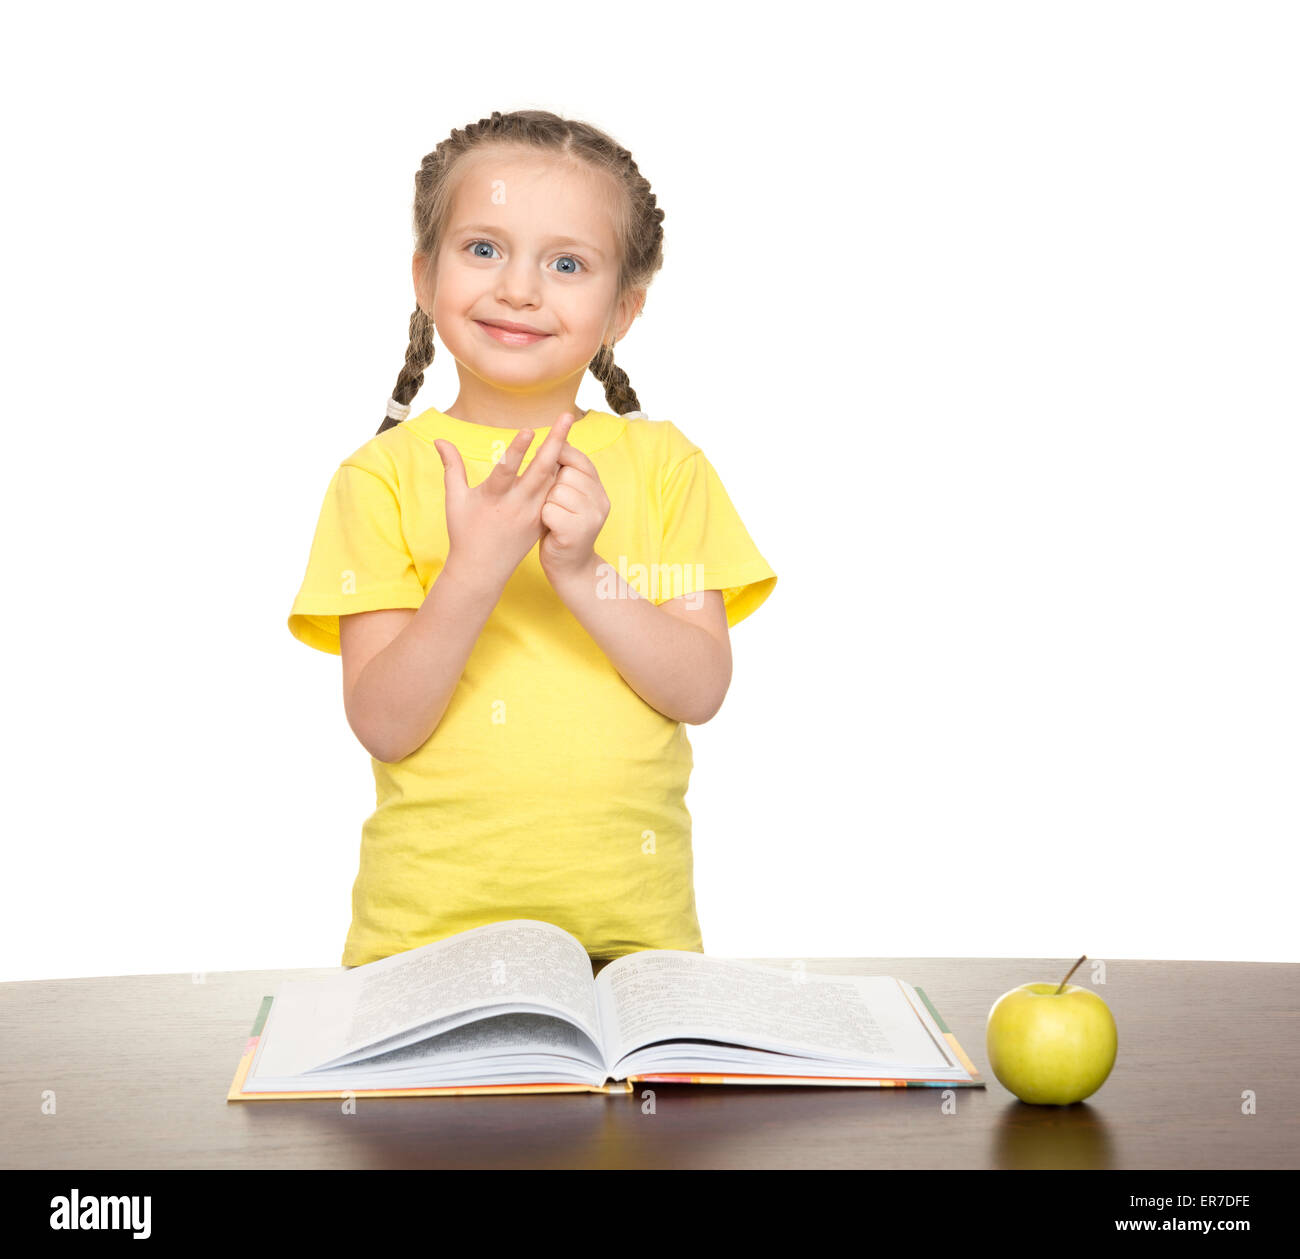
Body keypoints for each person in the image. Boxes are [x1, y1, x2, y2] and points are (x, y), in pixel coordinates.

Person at [288, 109, 778, 971]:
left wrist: (585, 574)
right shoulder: (379, 477)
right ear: (422, 273)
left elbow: (699, 687)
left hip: (634, 951)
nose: (519, 289)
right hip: (426, 945)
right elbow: (384, 721)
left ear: (622, 308)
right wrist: (475, 569)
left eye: (566, 264)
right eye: (483, 249)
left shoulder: (666, 467)